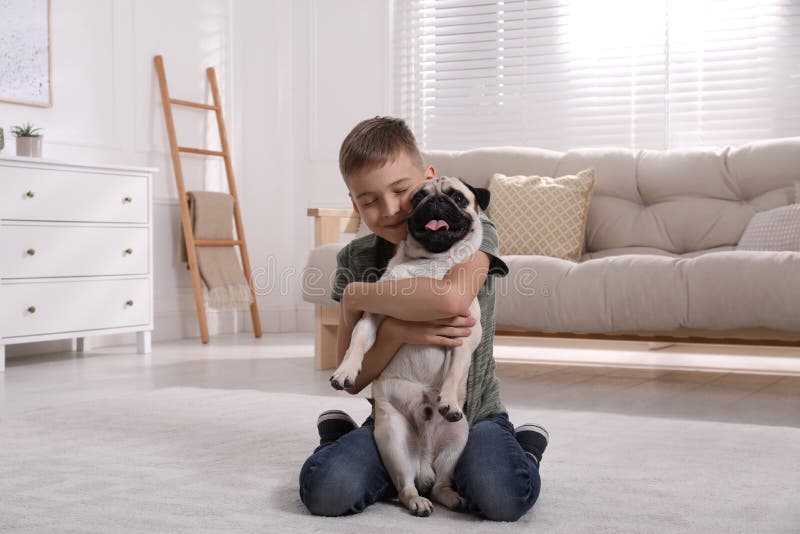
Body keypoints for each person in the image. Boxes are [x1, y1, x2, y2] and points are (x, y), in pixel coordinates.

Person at [298, 116, 549, 521]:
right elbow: (355, 378)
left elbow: (449, 299)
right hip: (397, 411)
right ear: (354, 203)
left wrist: (359, 295)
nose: (392, 209)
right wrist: (396, 330)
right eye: (369, 200)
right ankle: (341, 441)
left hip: (472, 413)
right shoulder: (356, 259)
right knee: (327, 491)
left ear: (429, 177)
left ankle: (525, 449)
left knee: (503, 494)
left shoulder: (472, 230)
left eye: (402, 190)